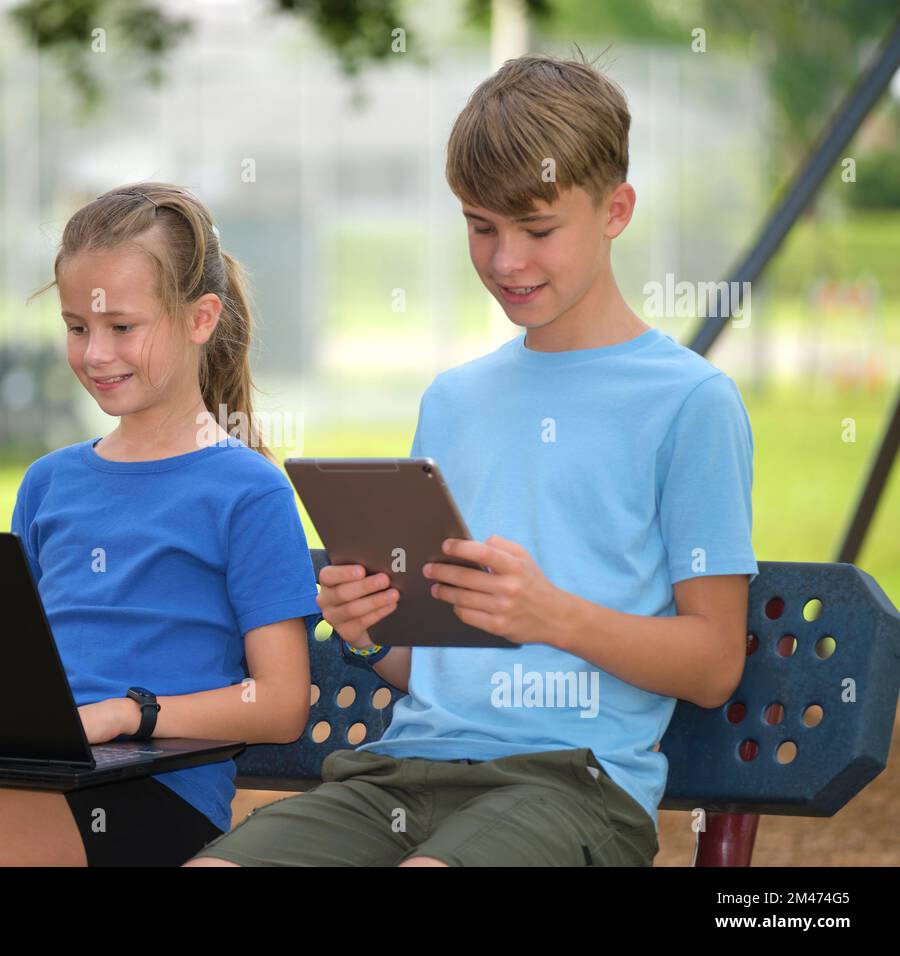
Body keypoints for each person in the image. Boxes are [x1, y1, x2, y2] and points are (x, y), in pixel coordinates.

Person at [187, 52, 758, 867]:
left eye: (537, 229)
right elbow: (435, 666)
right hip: (400, 776)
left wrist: (552, 614)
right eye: (480, 226)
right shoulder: (454, 401)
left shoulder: (690, 403)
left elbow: (711, 665)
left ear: (616, 210)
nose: (504, 261)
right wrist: (370, 627)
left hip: (571, 788)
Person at [0, 182, 320, 865]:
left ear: (201, 318)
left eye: (123, 327)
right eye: (76, 327)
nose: (95, 354)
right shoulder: (48, 482)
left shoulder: (249, 491)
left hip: (154, 797)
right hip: (33, 775)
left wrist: (132, 713)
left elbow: (279, 701)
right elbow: (8, 659)